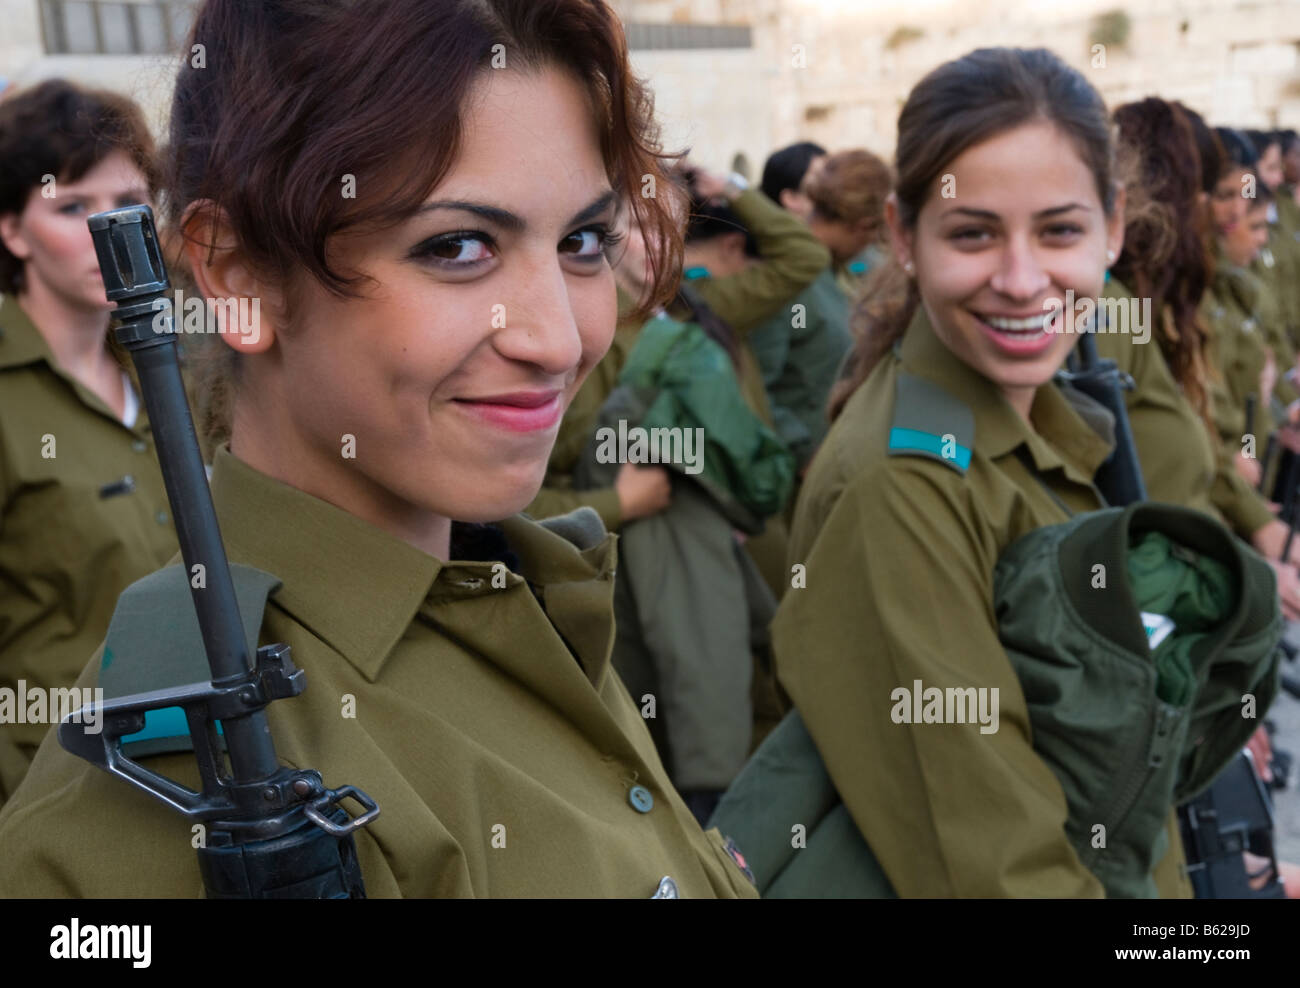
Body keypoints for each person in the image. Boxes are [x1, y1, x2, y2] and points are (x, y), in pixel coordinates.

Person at [0, 0, 758, 899]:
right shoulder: (177, 788)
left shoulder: (526, 595)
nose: (558, 338)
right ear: (239, 276)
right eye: (458, 246)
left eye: (582, 242)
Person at [772, 46, 1198, 896]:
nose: (1021, 280)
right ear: (904, 235)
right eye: (973, 233)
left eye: (1060, 230)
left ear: (1113, 226)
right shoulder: (905, 485)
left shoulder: (1038, 414)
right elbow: (1003, 873)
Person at [0, 79, 178, 807]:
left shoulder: (182, 372)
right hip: (52, 794)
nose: (111, 231)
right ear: (12, 230)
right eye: (74, 207)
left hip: (195, 777)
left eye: (129, 204)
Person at [749, 149, 891, 474]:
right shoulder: (792, 280)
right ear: (863, 226)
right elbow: (754, 384)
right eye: (874, 233)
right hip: (804, 471)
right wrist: (803, 455)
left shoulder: (850, 269)